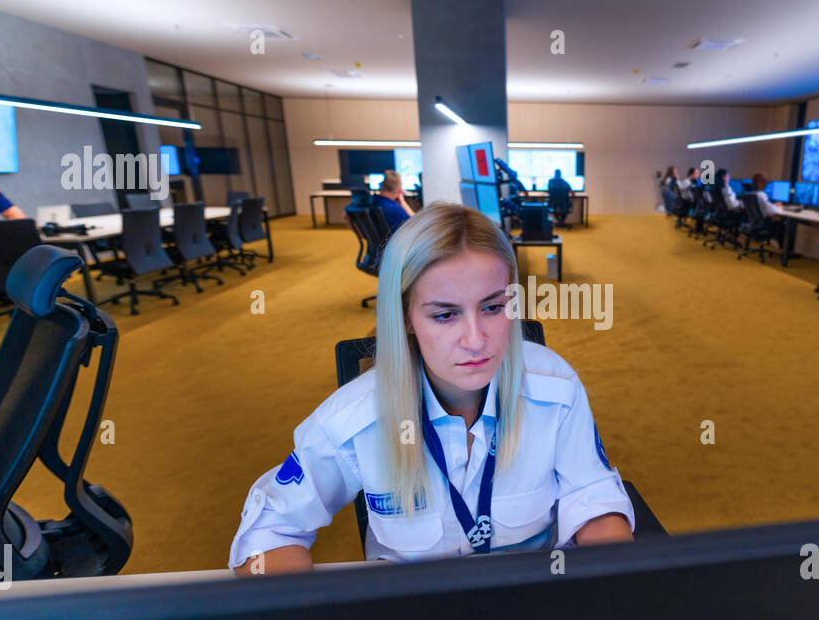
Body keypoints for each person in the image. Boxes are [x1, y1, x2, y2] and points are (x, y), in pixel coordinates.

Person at [231, 203, 635, 572]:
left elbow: (592, 495)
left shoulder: (556, 389)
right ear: (405, 316)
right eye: (445, 315)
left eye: (493, 308)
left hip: (532, 608)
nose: (476, 340)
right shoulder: (355, 419)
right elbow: (271, 532)